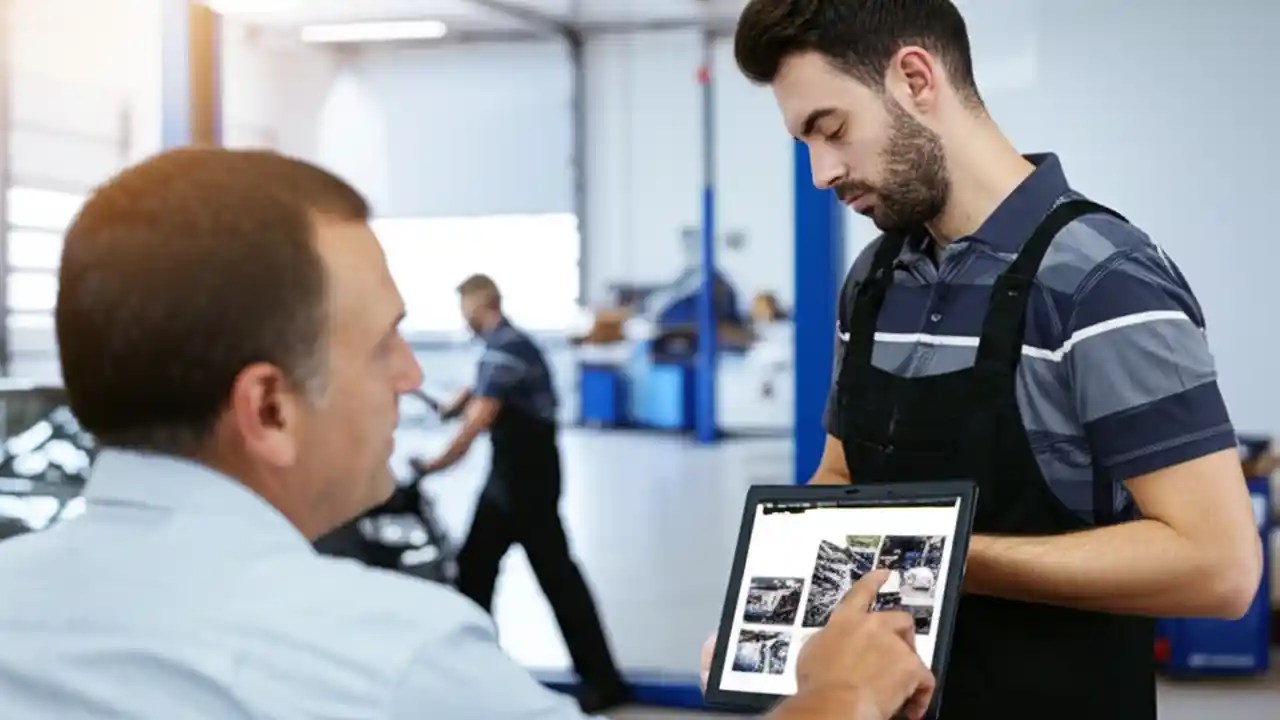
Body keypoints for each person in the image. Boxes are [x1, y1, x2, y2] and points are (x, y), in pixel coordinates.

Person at [0, 147, 933, 720]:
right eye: (383, 344)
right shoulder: (391, 661)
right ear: (269, 409)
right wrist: (837, 695)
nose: (409, 376)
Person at [730, 1, 1264, 718]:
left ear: (916, 78)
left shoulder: (1101, 278)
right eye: (805, 143)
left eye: (832, 130)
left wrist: (942, 559)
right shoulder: (873, 281)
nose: (822, 172)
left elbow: (1218, 567)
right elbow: (842, 475)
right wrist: (778, 626)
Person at [410, 274, 627, 713]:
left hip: (523, 483)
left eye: (463, 306)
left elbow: (476, 421)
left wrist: (434, 465)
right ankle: (483, 675)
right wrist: (446, 405)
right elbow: (472, 397)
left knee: (541, 575)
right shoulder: (508, 344)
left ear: (478, 303)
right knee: (483, 570)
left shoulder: (503, 351)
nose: (462, 316)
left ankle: (598, 681)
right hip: (515, 478)